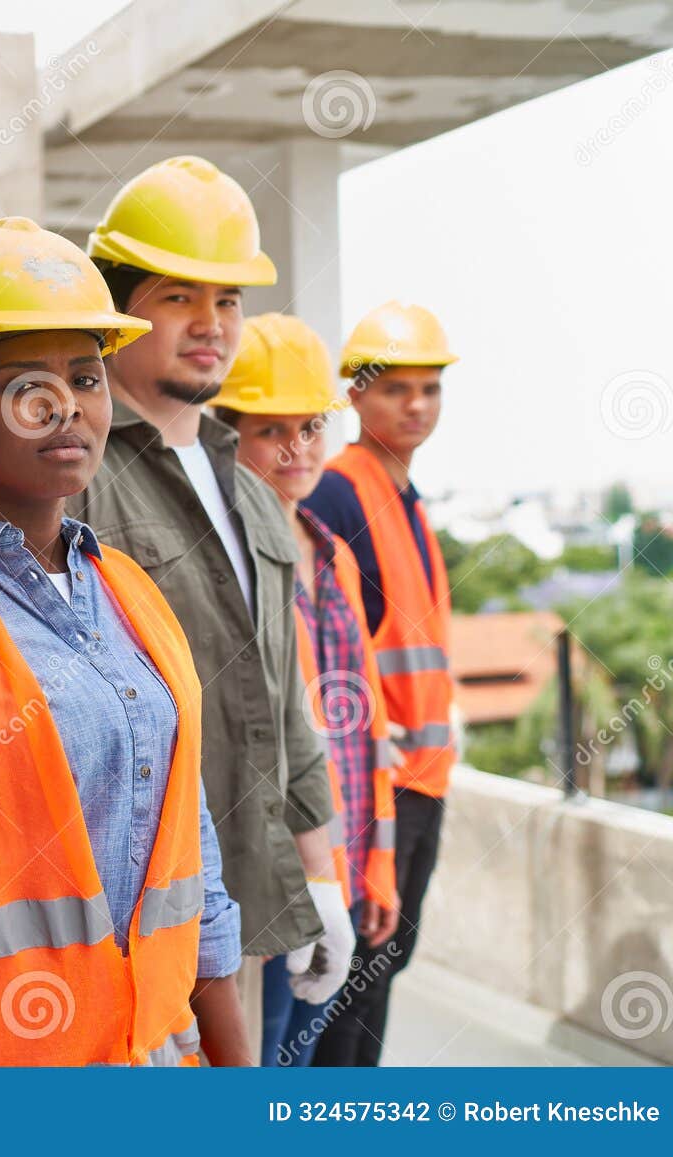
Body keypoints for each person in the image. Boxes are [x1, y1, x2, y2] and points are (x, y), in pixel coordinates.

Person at [0, 217, 247, 1066]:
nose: (66, 406)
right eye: (26, 383)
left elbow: (197, 864)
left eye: (86, 375)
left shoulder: (133, 597)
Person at [70, 157, 354, 1057]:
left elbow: (288, 706)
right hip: (138, 935)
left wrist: (322, 878)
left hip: (257, 918)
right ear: (119, 310)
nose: (212, 324)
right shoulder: (74, 481)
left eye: (227, 300)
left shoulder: (258, 496)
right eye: (178, 297)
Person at [208, 313, 401, 1065]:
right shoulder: (226, 565)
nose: (298, 447)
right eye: (270, 430)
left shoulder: (331, 555)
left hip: (337, 862)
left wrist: (369, 865)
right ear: (226, 438)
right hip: (267, 881)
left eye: (311, 426)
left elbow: (365, 730)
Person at [301, 301, 458, 1066]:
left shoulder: (409, 501)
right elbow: (337, 665)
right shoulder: (340, 494)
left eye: (430, 388)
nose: (417, 404)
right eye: (396, 388)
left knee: (380, 973)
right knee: (352, 990)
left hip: (422, 782)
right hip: (376, 788)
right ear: (356, 395)